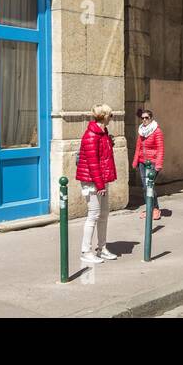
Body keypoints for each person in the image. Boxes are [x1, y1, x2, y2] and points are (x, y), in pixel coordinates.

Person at [76, 104, 117, 265]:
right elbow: (93, 164)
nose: (111, 118)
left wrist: (109, 144)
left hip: (101, 179)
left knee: (104, 213)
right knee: (93, 214)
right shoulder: (91, 136)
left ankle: (102, 248)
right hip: (92, 181)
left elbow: (103, 159)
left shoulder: (103, 134)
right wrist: (100, 186)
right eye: (111, 115)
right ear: (104, 116)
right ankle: (86, 251)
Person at [133, 107, 165, 221]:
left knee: (149, 186)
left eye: (146, 118)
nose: (144, 120)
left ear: (151, 118)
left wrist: (158, 165)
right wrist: (135, 161)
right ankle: (149, 208)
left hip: (152, 163)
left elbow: (160, 149)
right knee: (145, 187)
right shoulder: (141, 130)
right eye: (142, 118)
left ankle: (155, 209)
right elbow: (138, 147)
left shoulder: (157, 131)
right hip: (142, 162)